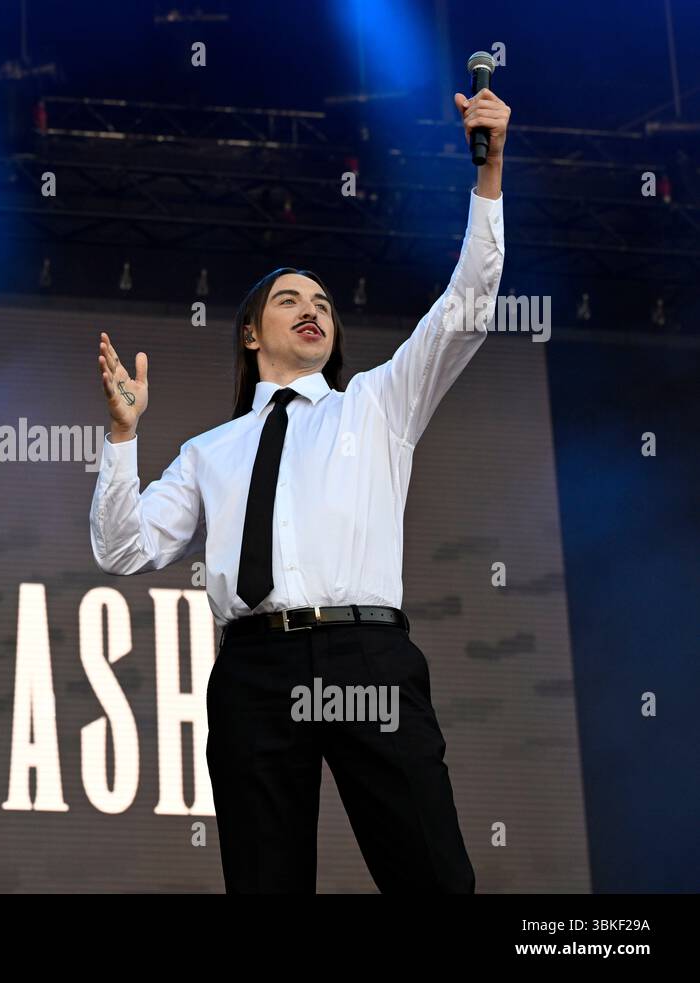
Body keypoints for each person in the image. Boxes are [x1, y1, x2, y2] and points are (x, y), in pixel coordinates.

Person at [88, 89, 511, 893]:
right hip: (252, 670)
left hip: (366, 656)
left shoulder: (379, 404)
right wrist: (120, 437)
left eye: (323, 304)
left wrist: (487, 170)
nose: (312, 310)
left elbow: (467, 307)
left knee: (432, 876)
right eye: (290, 299)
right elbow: (123, 547)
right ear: (252, 332)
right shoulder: (208, 450)